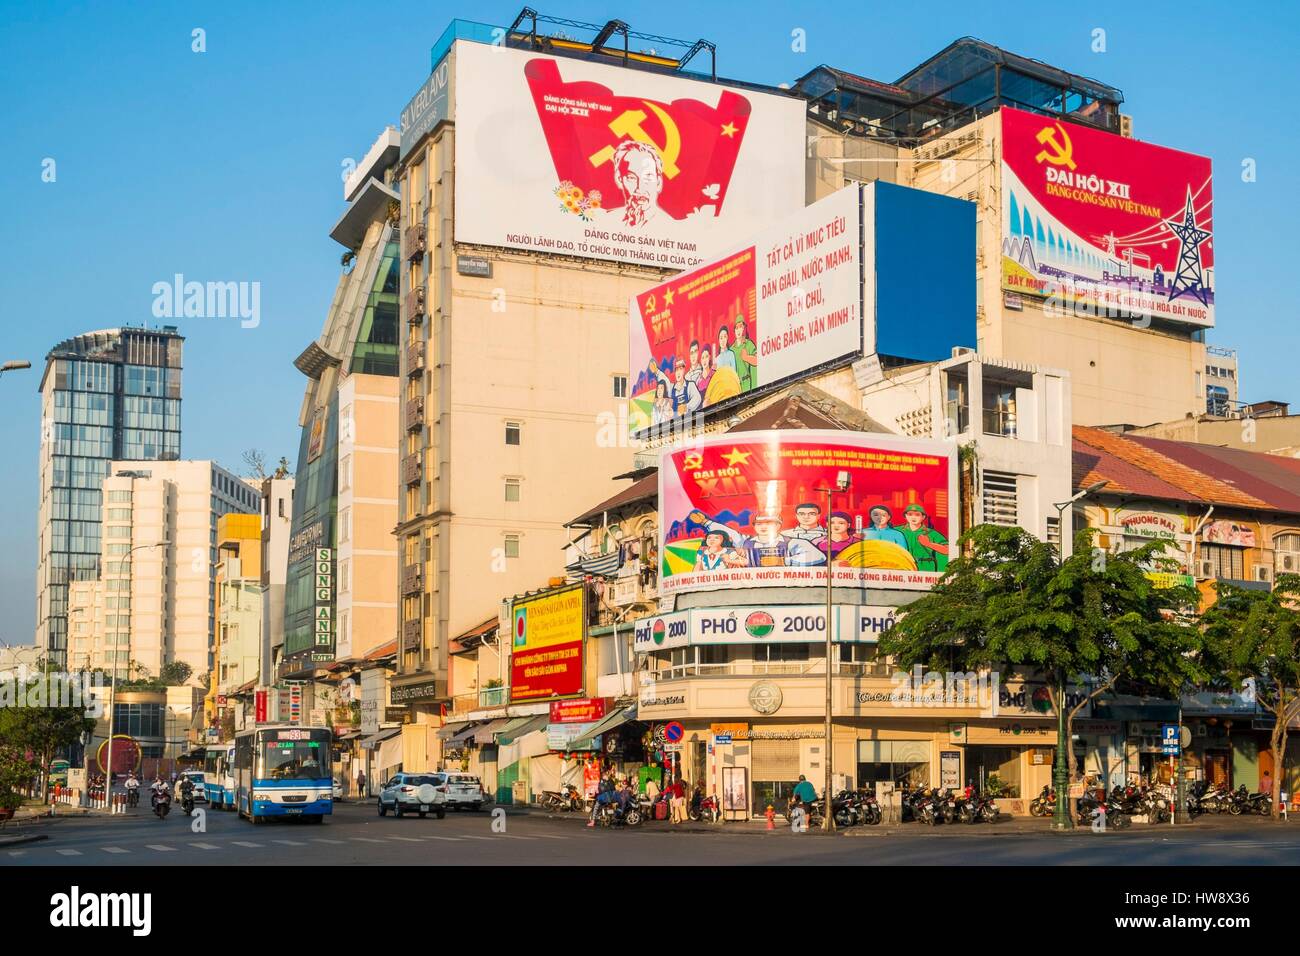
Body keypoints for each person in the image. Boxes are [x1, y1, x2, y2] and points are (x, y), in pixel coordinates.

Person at [611, 140, 664, 227]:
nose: (640, 189)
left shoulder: (671, 227)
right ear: (619, 180)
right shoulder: (605, 220)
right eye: (632, 178)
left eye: (648, 177)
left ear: (658, 183)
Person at [893, 503, 949, 572]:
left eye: (917, 514)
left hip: (926, 568)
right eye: (910, 514)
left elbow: (947, 550)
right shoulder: (896, 531)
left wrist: (929, 544)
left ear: (923, 517)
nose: (913, 517)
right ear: (905, 516)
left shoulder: (932, 533)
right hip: (903, 567)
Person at [729, 315, 758, 392]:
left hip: (749, 386)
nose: (738, 330)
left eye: (740, 326)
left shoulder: (749, 344)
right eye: (736, 328)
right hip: (736, 388)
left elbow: (757, 360)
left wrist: (746, 357)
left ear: (744, 328)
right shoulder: (731, 350)